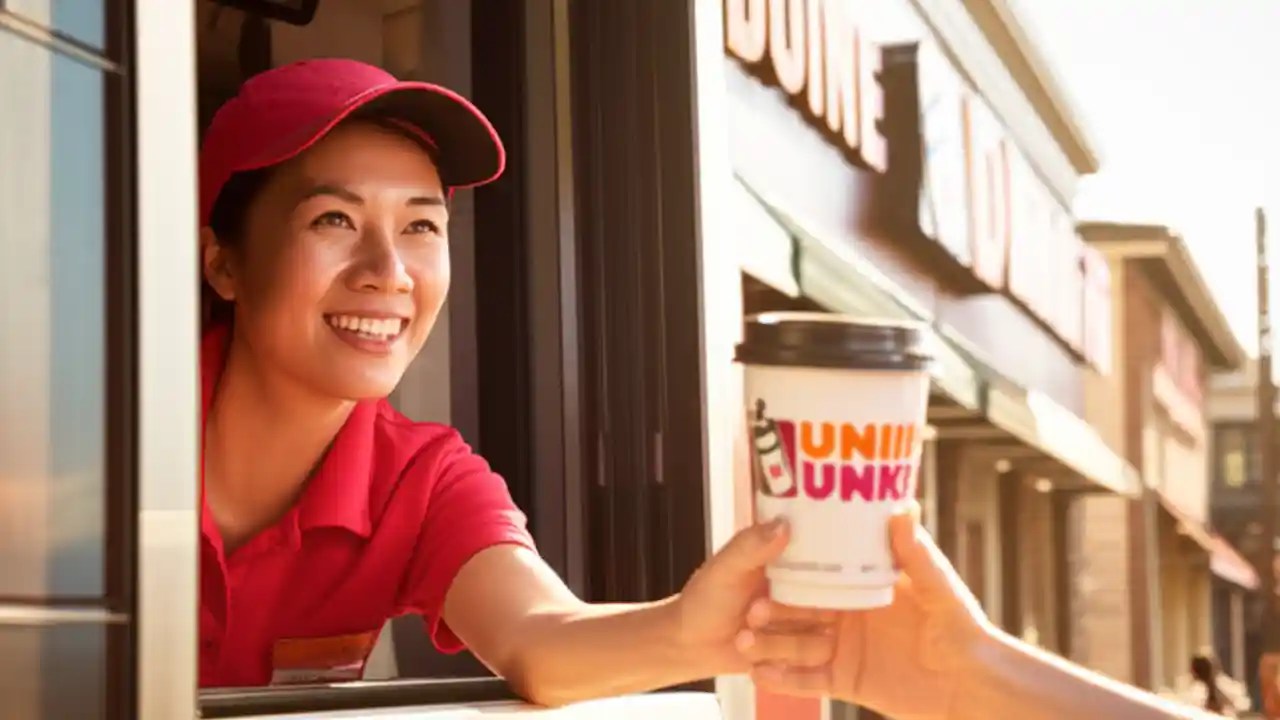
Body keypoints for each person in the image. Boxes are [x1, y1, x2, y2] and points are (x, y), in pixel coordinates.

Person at [197, 57, 1231, 718]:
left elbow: (544, 645)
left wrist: (698, 632)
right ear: (223, 262)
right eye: (333, 219)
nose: (389, 268)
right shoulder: (72, 429)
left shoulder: (422, 477)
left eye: (423, 225)